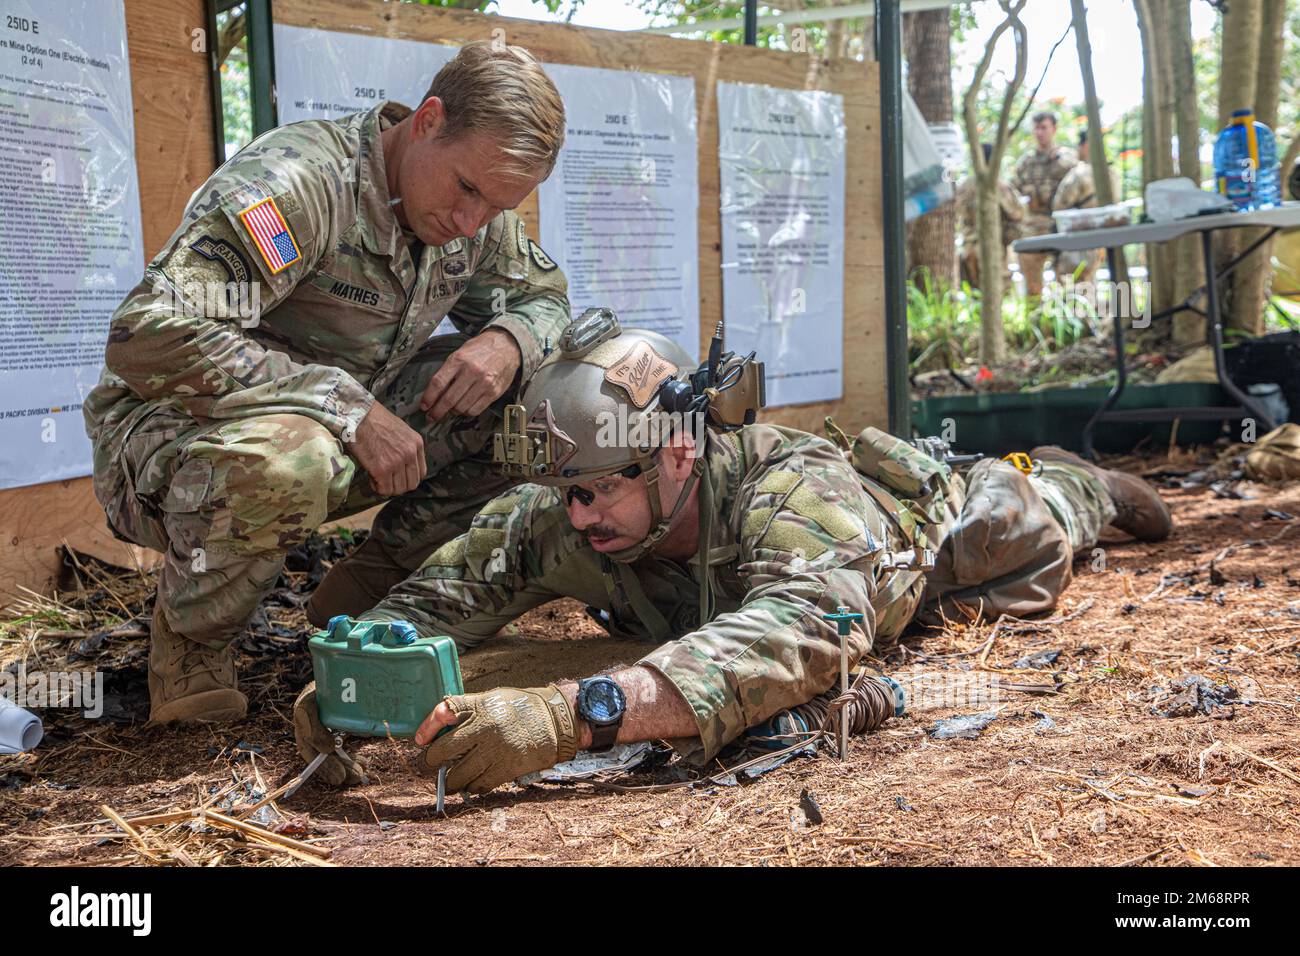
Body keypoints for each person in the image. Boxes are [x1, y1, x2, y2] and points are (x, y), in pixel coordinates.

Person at [293, 310, 1174, 795]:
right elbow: (428, 603)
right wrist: (352, 682)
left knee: (1003, 541)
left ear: (679, 451)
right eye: (565, 490)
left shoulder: (792, 496)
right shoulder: (566, 507)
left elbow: (804, 634)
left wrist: (573, 714)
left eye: (598, 490)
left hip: (903, 549)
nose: (576, 513)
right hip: (734, 600)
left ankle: (1073, 480)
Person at [83, 42, 572, 724]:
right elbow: (147, 333)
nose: (472, 224)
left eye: (496, 207)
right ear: (428, 120)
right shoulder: (302, 187)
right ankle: (192, 646)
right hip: (174, 442)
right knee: (296, 456)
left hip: (335, 432)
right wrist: (344, 405)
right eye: (467, 190)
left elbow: (546, 298)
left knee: (537, 397)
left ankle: (378, 597)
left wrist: (508, 340)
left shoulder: (473, 213)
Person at [1011, 112, 1078, 297]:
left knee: (1067, 281)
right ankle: (1035, 319)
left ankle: (1068, 319)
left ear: (1054, 129)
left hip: (1064, 227)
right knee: (1031, 283)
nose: (1040, 133)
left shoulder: (1067, 160)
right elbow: (1014, 194)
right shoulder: (1025, 163)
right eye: (1036, 128)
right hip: (1034, 228)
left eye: (1044, 128)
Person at [1052, 128, 1121, 287]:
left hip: (1079, 240)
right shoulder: (1111, 173)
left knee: (1076, 288)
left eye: (1079, 144)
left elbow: (1059, 207)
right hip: (1103, 240)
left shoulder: (1079, 174)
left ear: (1086, 145)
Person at [956, 142, 1025, 291]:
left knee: (974, 292)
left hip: (968, 247)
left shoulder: (965, 186)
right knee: (997, 290)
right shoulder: (998, 185)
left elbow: (957, 212)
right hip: (992, 247)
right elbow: (1017, 213)